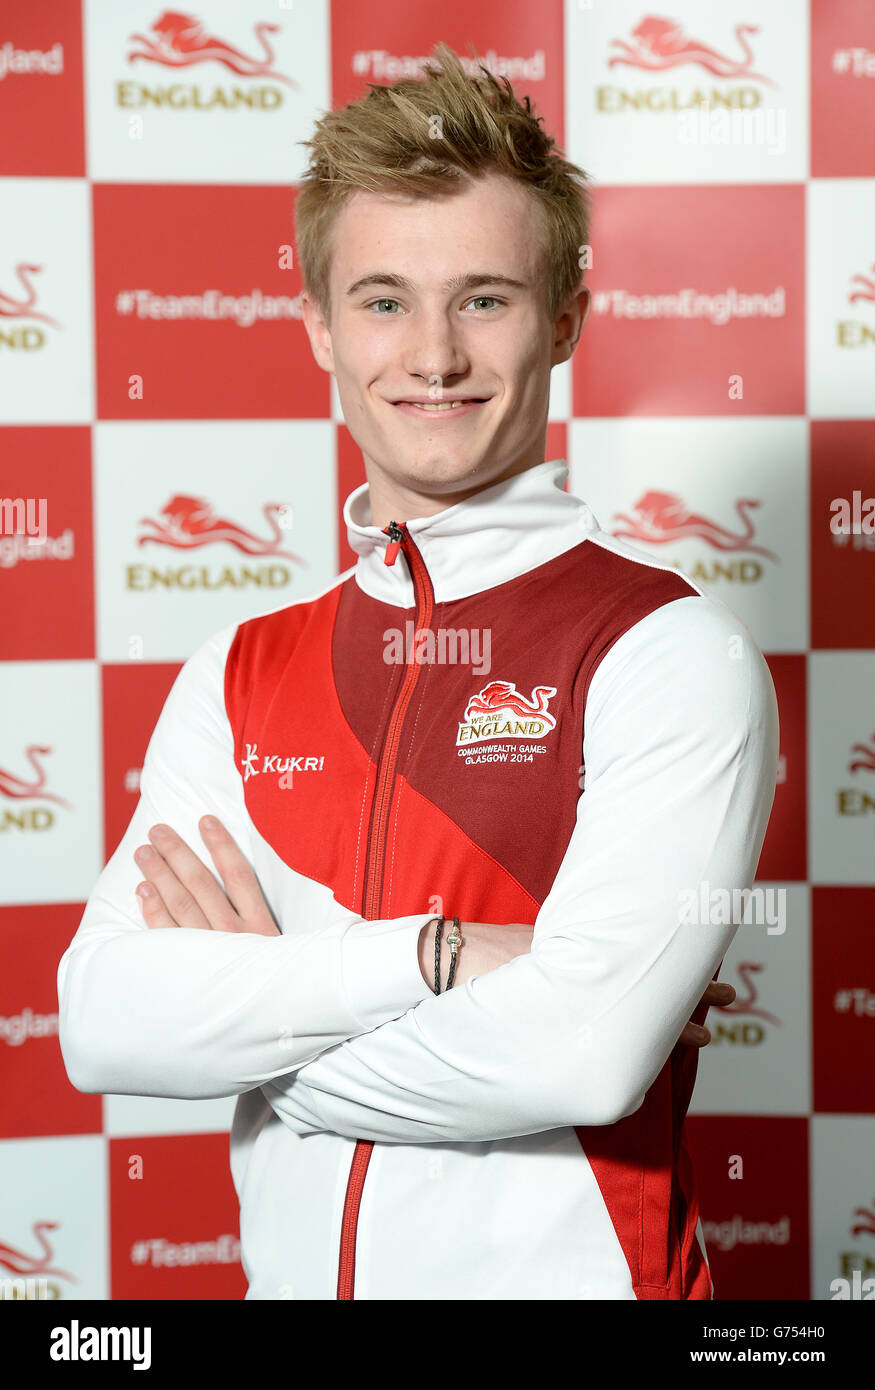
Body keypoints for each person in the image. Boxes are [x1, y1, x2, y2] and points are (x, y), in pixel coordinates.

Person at [57, 43, 778, 1300]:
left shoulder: (666, 650)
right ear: (319, 328)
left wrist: (256, 1032)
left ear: (563, 318)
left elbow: (585, 1056)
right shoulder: (238, 666)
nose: (432, 355)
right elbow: (103, 1021)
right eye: (384, 300)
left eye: (484, 298)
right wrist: (431, 958)